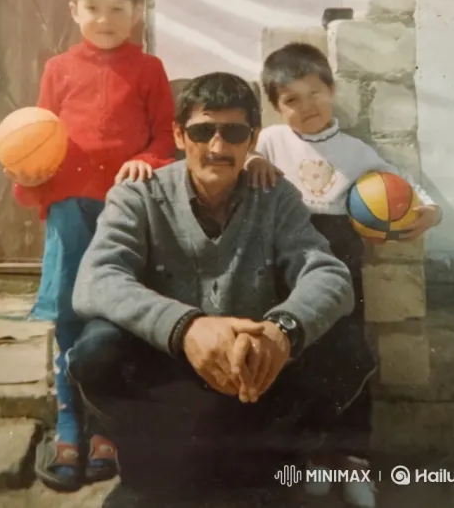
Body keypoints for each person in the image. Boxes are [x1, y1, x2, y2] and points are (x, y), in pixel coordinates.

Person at [67, 72, 375, 501]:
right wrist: (187, 328)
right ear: (178, 134)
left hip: (253, 373)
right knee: (96, 349)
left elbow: (327, 273)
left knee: (347, 348)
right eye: (202, 131)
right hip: (170, 373)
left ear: (251, 139)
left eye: (233, 133)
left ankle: (271, 456)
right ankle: (163, 460)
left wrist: (281, 330)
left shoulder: (274, 196)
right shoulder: (139, 196)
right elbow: (97, 279)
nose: (217, 147)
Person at [245, 42, 443, 507]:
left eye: (314, 92)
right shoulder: (271, 143)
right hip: (284, 261)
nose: (306, 106)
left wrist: (427, 212)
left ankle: (351, 459)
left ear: (331, 89)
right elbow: (244, 163)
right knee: (292, 359)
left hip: (340, 259)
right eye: (290, 100)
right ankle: (305, 459)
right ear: (275, 108)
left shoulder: (354, 151)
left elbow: (402, 187)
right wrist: (253, 161)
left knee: (350, 357)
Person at [6, 0, 175, 491]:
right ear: (74, 10)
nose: (105, 19)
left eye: (118, 8)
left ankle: (108, 429)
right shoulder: (58, 70)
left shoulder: (148, 69)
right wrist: (27, 172)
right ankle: (68, 427)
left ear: (136, 13)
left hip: (126, 211)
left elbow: (165, 141)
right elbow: (37, 138)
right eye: (94, 7)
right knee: (69, 318)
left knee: (121, 314)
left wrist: (146, 162)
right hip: (70, 211)